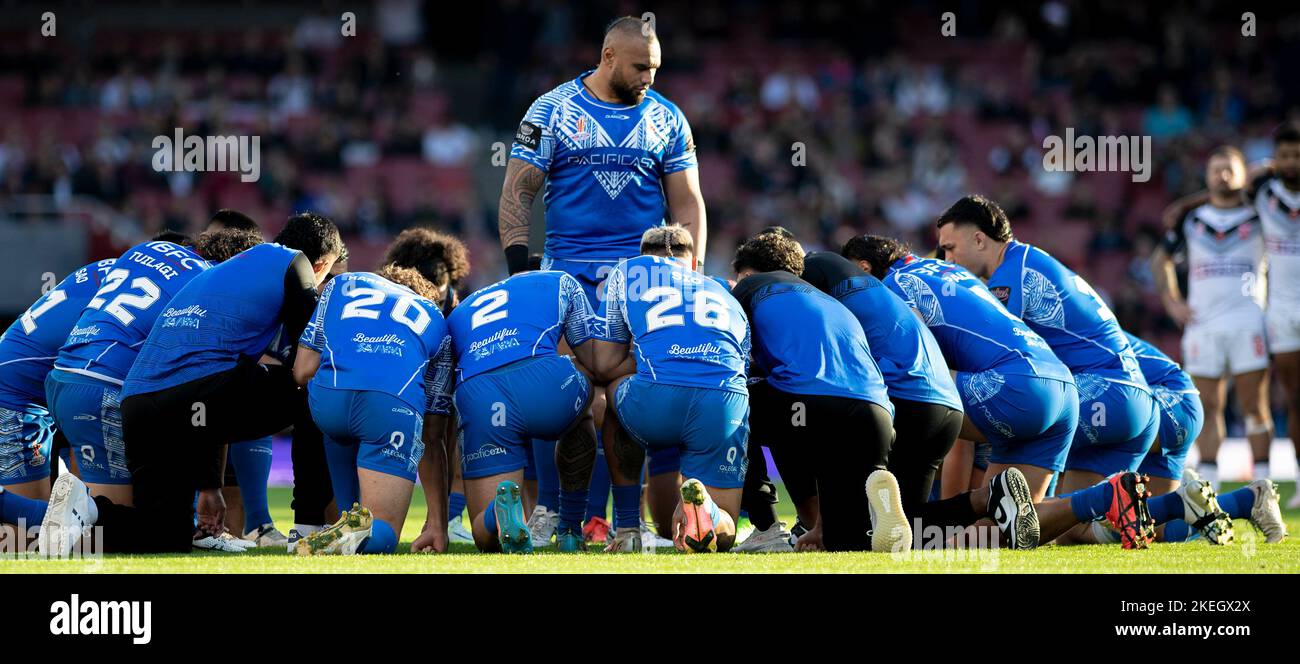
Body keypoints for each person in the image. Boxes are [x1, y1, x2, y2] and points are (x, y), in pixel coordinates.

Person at [499, 15, 707, 545]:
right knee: (563, 393)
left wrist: (690, 276)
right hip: (567, 274)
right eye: (641, 67)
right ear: (608, 56)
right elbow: (517, 192)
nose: (650, 79)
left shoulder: (668, 118)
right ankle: (552, 514)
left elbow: (687, 202)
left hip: (640, 281)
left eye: (656, 69)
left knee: (625, 395)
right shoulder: (550, 110)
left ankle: (627, 524)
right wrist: (523, 277)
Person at [39, 213, 341, 556]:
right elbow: (309, 360)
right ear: (319, 266)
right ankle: (307, 529)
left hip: (139, 403)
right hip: (194, 395)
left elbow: (209, 389)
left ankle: (88, 513)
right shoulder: (292, 262)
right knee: (316, 392)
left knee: (165, 535)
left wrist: (210, 484)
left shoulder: (210, 279)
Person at [844, 235, 1154, 550]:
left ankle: (884, 512)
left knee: (894, 390)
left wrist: (945, 511)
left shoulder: (892, 287)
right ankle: (1104, 496)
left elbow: (925, 384)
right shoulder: (949, 270)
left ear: (864, 267)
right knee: (1011, 526)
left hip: (1015, 384)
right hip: (1062, 386)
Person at [937, 195, 1162, 545]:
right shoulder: (1028, 261)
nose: (947, 261)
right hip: (1133, 403)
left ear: (979, 239)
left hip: (1100, 391)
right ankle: (1191, 505)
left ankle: (944, 533)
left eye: (950, 249)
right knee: (1067, 529)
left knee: (998, 521)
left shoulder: (1007, 280)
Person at [730, 231, 905, 552]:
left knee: (737, 402)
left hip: (812, 404)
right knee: (844, 541)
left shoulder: (751, 287)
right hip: (878, 411)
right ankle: (833, 525)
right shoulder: (828, 299)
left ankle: (767, 526)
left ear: (750, 273)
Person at [587, 226, 750, 552]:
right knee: (727, 529)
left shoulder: (629, 271)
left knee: (610, 395)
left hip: (656, 398)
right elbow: (742, 364)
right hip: (723, 402)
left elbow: (603, 364)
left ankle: (628, 528)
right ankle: (708, 511)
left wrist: (653, 359)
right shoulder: (722, 289)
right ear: (692, 263)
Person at [426, 262, 600, 553]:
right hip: (543, 380)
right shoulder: (560, 281)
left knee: (484, 538)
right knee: (583, 405)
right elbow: (595, 358)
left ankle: (499, 514)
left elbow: (440, 397)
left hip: (480, 394)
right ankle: (570, 527)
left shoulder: (460, 311)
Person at [292, 265, 451, 555]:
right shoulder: (436, 318)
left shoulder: (342, 284)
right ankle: (359, 533)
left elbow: (301, 371)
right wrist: (438, 524)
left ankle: (345, 523)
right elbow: (433, 432)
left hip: (330, 404)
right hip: (389, 407)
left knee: (337, 425)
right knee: (383, 535)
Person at [1152, 147, 1273, 489]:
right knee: (1207, 405)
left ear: (1242, 175)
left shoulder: (1259, 214)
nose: (1222, 176)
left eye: (1229, 170)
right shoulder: (1191, 220)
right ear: (1205, 176)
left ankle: (1264, 483)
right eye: (1215, 169)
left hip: (1249, 320)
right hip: (1202, 324)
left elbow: (1275, 175)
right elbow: (1160, 260)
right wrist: (1173, 302)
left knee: (1255, 404)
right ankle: (1209, 482)